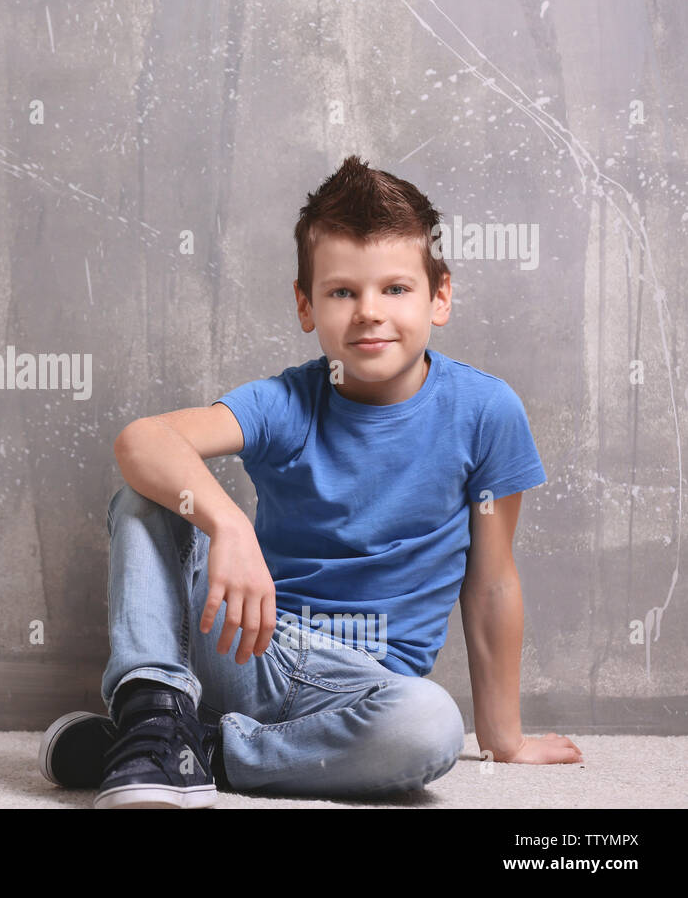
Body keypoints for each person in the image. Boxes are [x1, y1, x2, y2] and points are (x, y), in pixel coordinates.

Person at [38, 154, 583, 808]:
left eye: (395, 289)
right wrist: (229, 524)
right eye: (343, 292)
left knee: (431, 723)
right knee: (147, 495)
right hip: (250, 647)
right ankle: (154, 710)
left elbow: (492, 582)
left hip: (362, 689)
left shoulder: (486, 412)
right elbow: (142, 440)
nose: (369, 312)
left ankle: (193, 750)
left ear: (439, 296)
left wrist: (503, 739)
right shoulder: (287, 403)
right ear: (306, 304)